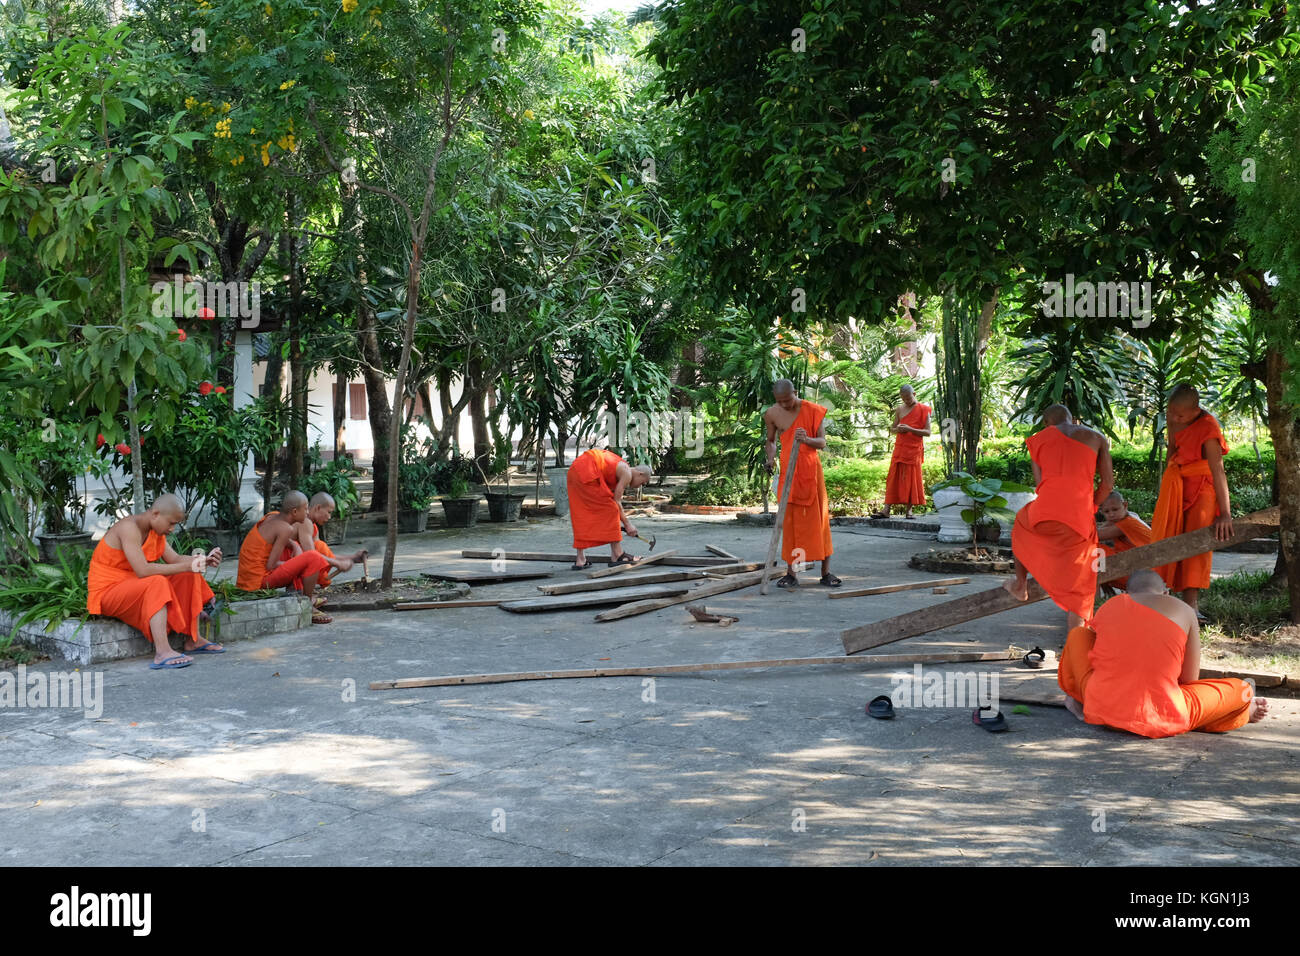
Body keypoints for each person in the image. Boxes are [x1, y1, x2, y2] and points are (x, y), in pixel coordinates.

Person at [1057, 570, 1268, 737]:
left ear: (1127, 594)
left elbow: (1095, 654)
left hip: (1100, 707)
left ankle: (1076, 698)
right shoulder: (1184, 609)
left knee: (1078, 635)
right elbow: (1189, 680)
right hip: (1160, 715)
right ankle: (1244, 711)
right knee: (1241, 688)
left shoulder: (1110, 605)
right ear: (1166, 593)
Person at [1003, 404, 1113, 629]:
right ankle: (1076, 642)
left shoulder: (1037, 439)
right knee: (1080, 588)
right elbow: (1108, 484)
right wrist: (1092, 506)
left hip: (1044, 511)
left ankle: (1020, 584)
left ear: (1046, 423)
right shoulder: (1097, 437)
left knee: (1020, 525)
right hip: (1079, 515)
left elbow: (1039, 485)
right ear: (1073, 420)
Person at [86, 493, 223, 669]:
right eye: (171, 523)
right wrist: (188, 565)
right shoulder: (129, 528)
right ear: (156, 514)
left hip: (134, 586)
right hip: (109, 591)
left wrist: (202, 561)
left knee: (189, 574)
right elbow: (143, 571)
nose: (172, 529)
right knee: (156, 581)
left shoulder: (155, 531)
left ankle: (193, 640)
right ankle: (162, 652)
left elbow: (175, 559)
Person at [1150, 384, 1232, 616]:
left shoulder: (1208, 428)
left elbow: (1218, 471)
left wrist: (1225, 513)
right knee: (1168, 535)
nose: (1174, 418)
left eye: (1180, 415)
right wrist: (1169, 484)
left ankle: (1191, 605)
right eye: (1171, 413)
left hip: (1203, 490)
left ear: (1196, 411)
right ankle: (1163, 596)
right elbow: (1172, 451)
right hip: (1178, 485)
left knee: (1197, 545)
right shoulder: (1174, 416)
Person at [764, 378, 839, 588]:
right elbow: (770, 441)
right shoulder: (771, 414)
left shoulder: (812, 410)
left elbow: (822, 442)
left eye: (788, 400)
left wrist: (807, 439)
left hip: (811, 472)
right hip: (789, 473)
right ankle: (791, 574)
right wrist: (770, 460)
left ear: (795, 392)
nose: (785, 405)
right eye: (780, 401)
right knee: (790, 524)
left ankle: (826, 573)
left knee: (819, 522)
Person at [237, 491, 331, 622]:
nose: (308, 513)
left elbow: (274, 540)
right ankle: (308, 604)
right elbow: (271, 565)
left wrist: (294, 546)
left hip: (246, 580)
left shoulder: (272, 516)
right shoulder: (285, 529)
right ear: (294, 512)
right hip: (257, 582)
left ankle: (297, 593)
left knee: (297, 555)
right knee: (313, 557)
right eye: (305, 509)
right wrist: (295, 564)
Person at [566, 449, 653, 570]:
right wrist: (628, 525)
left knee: (582, 515)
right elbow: (616, 501)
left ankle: (580, 559)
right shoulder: (627, 473)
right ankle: (617, 555)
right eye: (643, 483)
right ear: (640, 474)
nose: (640, 486)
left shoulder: (621, 467)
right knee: (611, 509)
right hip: (586, 473)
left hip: (576, 472)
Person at [295, 492, 368, 601]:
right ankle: (307, 599)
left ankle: (306, 594)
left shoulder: (313, 526)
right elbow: (312, 555)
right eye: (329, 512)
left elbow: (324, 555)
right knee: (318, 549)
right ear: (318, 508)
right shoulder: (305, 522)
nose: (329, 517)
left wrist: (352, 558)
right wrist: (338, 564)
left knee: (320, 547)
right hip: (280, 566)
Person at [879, 384, 932, 519]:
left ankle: (909, 511)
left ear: (914, 394)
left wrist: (910, 429)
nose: (906, 401)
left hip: (914, 449)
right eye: (904, 399)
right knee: (893, 477)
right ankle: (886, 509)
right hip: (900, 448)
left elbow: (928, 432)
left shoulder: (924, 410)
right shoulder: (900, 409)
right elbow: (893, 428)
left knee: (911, 479)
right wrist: (898, 429)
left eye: (908, 398)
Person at [1097, 491, 1153, 591]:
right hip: (1145, 572)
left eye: (1115, 509)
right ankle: (1104, 588)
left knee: (1093, 550)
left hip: (1143, 577)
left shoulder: (1127, 524)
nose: (1111, 514)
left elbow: (1095, 535)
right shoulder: (1131, 516)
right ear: (1101, 512)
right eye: (1107, 512)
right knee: (1099, 552)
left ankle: (1098, 593)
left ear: (1125, 505)